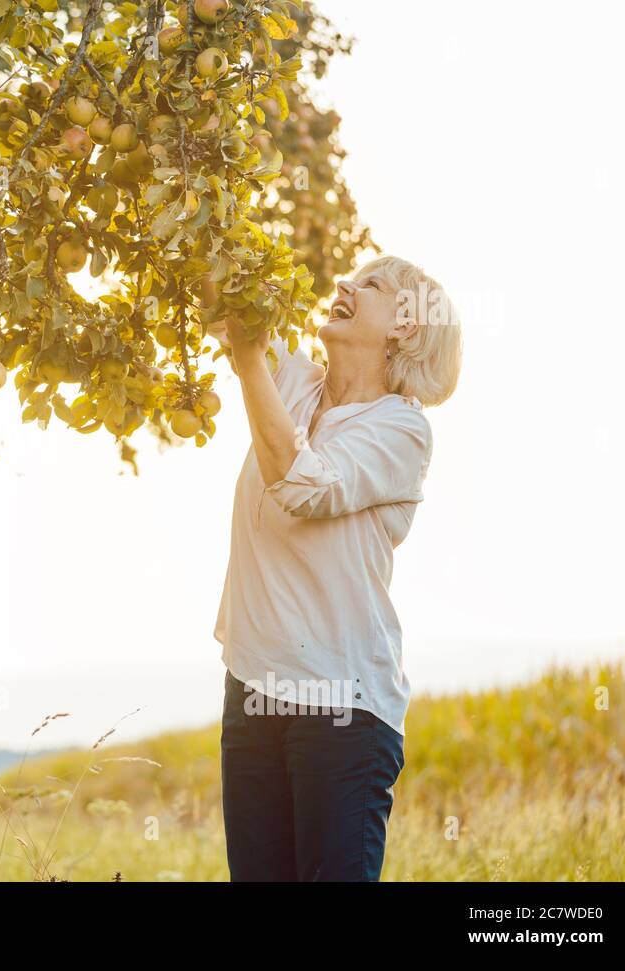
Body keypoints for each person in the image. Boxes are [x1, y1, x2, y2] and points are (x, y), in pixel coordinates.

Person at [211, 255, 462, 881]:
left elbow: (301, 486)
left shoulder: (401, 430)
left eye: (370, 285)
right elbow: (219, 301)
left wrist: (248, 363)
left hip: (342, 708)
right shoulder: (293, 381)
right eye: (350, 278)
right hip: (253, 688)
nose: (344, 287)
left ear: (405, 326)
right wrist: (195, 183)